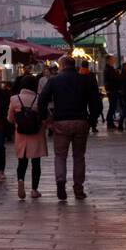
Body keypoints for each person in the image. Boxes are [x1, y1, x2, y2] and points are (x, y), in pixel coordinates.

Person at [38, 55, 103, 202]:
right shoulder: (85, 80)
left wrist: (46, 117)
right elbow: (96, 102)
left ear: (61, 66)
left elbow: (42, 99)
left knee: (60, 156)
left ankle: (60, 184)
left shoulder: (54, 80)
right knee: (79, 156)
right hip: (81, 121)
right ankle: (78, 189)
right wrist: (91, 120)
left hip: (61, 122)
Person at [7, 74, 46, 199]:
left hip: (21, 135)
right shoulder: (39, 98)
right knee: (36, 163)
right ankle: (34, 190)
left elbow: (10, 119)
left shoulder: (14, 99)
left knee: (22, 162)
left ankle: (20, 180)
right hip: (36, 135)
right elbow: (46, 116)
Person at [103, 55, 122, 131]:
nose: (114, 61)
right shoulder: (108, 69)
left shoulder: (110, 69)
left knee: (113, 106)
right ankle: (109, 122)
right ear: (108, 60)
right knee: (112, 106)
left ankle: (110, 122)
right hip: (112, 90)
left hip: (112, 90)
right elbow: (112, 79)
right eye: (112, 59)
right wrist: (117, 73)